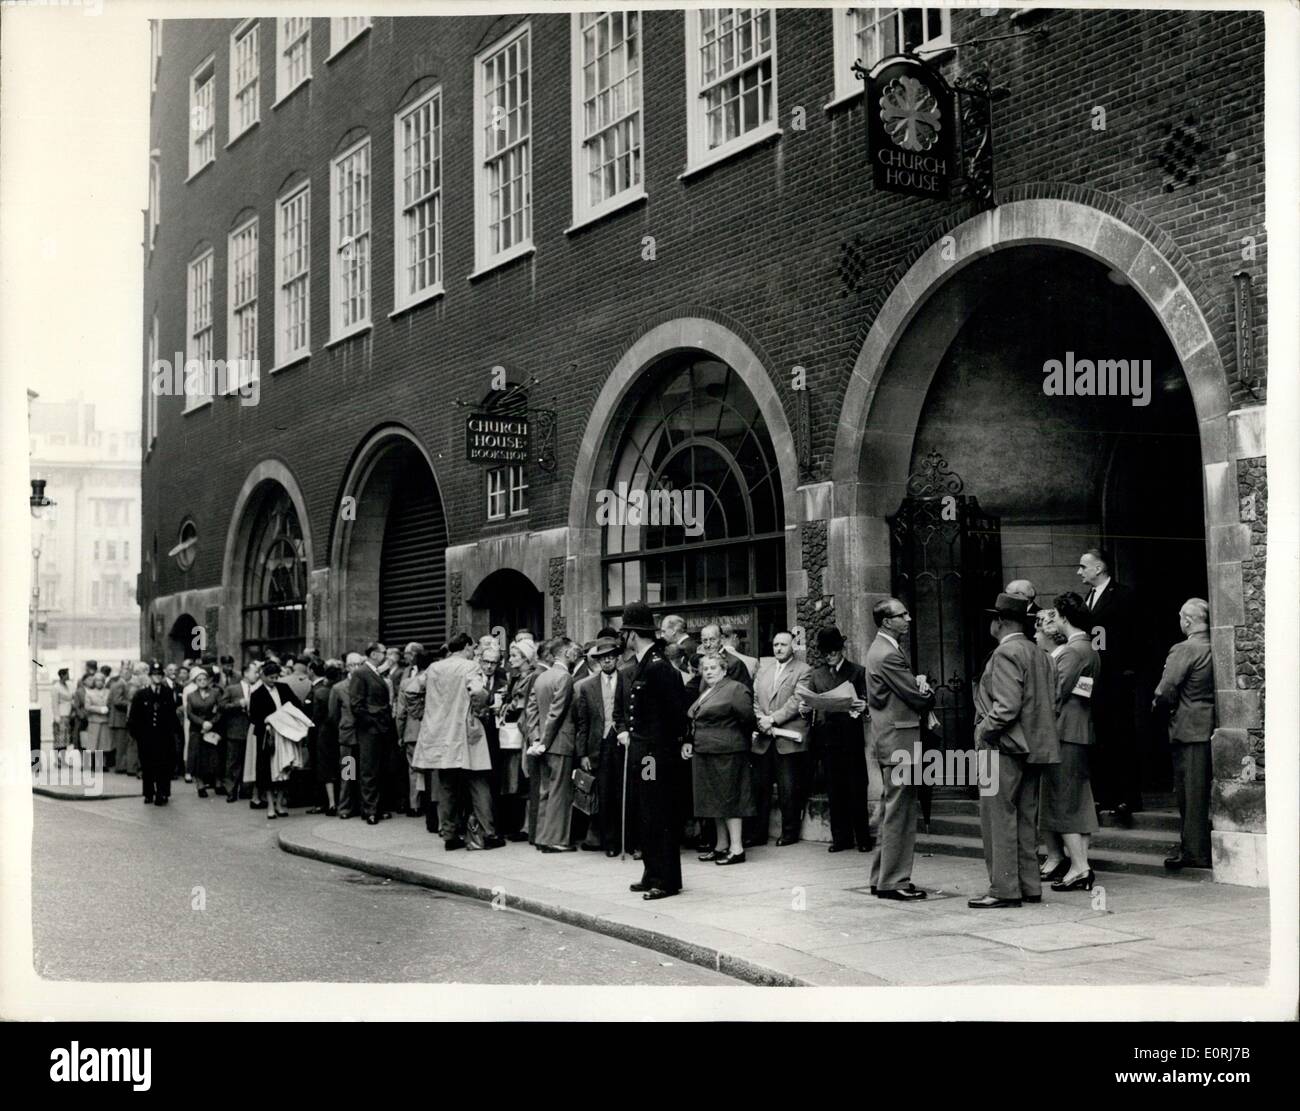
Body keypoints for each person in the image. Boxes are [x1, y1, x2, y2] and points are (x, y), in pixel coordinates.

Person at [969, 593, 1061, 908]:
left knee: (998, 818)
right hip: (1036, 747)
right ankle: (1029, 886)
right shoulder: (1042, 655)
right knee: (1025, 819)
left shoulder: (1005, 654)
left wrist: (983, 731)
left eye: (993, 618)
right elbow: (1054, 702)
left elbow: (1006, 708)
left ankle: (1004, 889)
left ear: (1001, 622)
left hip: (1004, 746)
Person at [613, 601, 688, 900]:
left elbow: (675, 716)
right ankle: (651, 871)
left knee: (657, 813)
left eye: (625, 633)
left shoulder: (658, 667)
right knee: (646, 812)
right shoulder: (646, 663)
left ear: (632, 634)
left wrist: (655, 752)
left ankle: (665, 879)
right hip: (645, 752)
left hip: (654, 755)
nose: (624, 638)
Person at [864, 599, 935, 900]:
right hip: (900, 743)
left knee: (891, 810)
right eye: (901, 615)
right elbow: (918, 699)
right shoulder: (888, 654)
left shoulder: (883, 649)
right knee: (900, 814)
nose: (908, 618)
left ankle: (881, 877)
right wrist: (926, 688)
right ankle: (893, 881)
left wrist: (917, 686)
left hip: (892, 741)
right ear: (885, 621)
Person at [413, 632, 504, 850]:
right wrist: (482, 710)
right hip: (465, 732)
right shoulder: (469, 667)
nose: (474, 651)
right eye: (472, 647)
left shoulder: (434, 668)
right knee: (478, 782)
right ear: (465, 647)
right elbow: (478, 692)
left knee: (446, 787)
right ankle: (489, 834)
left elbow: (411, 690)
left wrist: (421, 713)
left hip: (439, 733)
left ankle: (449, 835)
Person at [1036, 592, 1101, 891]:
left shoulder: (1073, 651)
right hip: (1077, 730)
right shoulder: (1086, 648)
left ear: (1064, 617)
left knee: (1064, 800)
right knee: (1075, 799)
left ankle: (1080, 867)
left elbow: (1054, 693)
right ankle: (1078, 864)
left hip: (1064, 732)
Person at [1076, 547, 1141, 824]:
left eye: (1083, 566)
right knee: (1099, 737)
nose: (1079, 571)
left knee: (1121, 736)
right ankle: (1106, 793)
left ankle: (1127, 796)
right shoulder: (1087, 598)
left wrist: (1128, 669)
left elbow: (1135, 634)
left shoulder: (1124, 595)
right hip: (1095, 680)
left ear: (1099, 568)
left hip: (1116, 678)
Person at [1153, 598, 1216, 871]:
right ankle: (1198, 847)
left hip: (1188, 726)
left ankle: (1193, 851)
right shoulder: (1214, 645)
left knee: (1190, 794)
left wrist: (1158, 706)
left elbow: (1165, 690)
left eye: (1181, 617)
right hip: (1208, 723)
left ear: (1187, 621)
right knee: (1201, 791)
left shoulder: (1184, 648)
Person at [800, 626, 873, 853]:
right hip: (827, 741)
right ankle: (840, 839)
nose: (829, 655)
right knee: (834, 790)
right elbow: (810, 704)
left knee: (857, 788)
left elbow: (868, 704)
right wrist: (805, 707)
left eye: (833, 651)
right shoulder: (816, 675)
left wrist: (864, 707)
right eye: (825, 652)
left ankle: (862, 837)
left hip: (850, 739)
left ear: (841, 649)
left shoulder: (857, 672)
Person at [684, 652, 757, 865]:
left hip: (728, 753)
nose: (708, 672)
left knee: (730, 799)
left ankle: (737, 848)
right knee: (714, 801)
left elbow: (748, 720)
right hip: (706, 752)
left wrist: (734, 742)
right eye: (705, 669)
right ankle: (721, 845)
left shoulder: (735, 689)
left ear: (724, 670)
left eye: (713, 668)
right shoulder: (706, 690)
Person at [747, 631, 812, 848]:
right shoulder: (763, 671)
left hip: (788, 739)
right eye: (775, 644)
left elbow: (797, 700)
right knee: (760, 788)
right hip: (764, 740)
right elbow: (754, 699)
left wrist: (772, 720)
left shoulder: (803, 670)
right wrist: (760, 720)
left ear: (793, 646)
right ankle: (758, 834)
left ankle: (789, 833)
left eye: (783, 644)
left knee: (788, 789)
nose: (778, 648)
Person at [527, 638, 580, 852]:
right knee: (560, 792)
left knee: (545, 791)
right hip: (560, 742)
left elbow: (531, 711)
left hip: (543, 743)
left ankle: (542, 836)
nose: (576, 655)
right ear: (565, 653)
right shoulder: (564, 677)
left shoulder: (541, 677)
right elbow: (556, 713)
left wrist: (536, 740)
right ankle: (556, 839)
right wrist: (544, 742)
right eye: (574, 651)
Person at [574, 637, 625, 855]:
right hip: (599, 746)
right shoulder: (587, 687)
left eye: (611, 657)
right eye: (603, 658)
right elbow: (583, 723)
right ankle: (610, 843)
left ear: (617, 659)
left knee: (624, 792)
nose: (607, 661)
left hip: (623, 743)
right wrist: (583, 753)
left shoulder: (628, 680)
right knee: (604, 795)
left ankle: (628, 841)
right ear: (598, 661)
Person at [249, 660, 307, 820]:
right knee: (268, 771)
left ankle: (280, 803)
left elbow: (296, 705)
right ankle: (270, 805)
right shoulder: (257, 694)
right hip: (268, 737)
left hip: (285, 734)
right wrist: (268, 722)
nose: (274, 681)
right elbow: (254, 717)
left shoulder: (283, 688)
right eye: (271, 678)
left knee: (284, 770)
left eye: (276, 677)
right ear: (263, 676)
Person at [496, 639, 541, 841]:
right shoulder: (516, 677)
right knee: (513, 780)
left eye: (515, 656)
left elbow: (525, 706)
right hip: (513, 736)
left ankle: (525, 826)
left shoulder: (532, 677)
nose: (510, 659)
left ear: (525, 658)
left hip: (522, 735)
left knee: (522, 779)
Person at [350, 643, 395, 826]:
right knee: (369, 770)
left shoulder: (375, 673)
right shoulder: (361, 673)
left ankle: (376, 807)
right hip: (371, 730)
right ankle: (370, 809)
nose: (386, 655)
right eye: (384, 652)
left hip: (380, 728)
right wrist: (372, 722)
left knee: (379, 769)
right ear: (374, 654)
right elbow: (356, 704)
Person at [128, 663, 182, 806]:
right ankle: (148, 793)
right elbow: (134, 717)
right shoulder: (141, 694)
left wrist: (175, 733)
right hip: (146, 737)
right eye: (154, 675)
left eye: (159, 675)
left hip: (164, 737)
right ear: (150, 676)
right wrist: (137, 735)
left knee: (164, 766)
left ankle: (162, 793)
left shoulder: (167, 692)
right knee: (147, 765)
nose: (157, 677)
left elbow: (172, 715)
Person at [393, 645, 430, 820]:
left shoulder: (407, 684)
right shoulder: (436, 681)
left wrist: (400, 735)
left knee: (414, 770)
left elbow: (401, 713)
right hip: (432, 731)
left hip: (412, 731)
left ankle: (415, 805)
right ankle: (431, 804)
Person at [219, 661, 261, 806]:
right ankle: (231, 790)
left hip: (252, 731)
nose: (257, 675)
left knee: (249, 761)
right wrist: (238, 704)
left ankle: (246, 790)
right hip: (236, 730)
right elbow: (221, 706)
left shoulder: (259, 689)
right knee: (233, 761)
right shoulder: (232, 689)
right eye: (255, 672)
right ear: (245, 673)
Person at [331, 653, 363, 819]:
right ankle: (344, 807)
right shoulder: (338, 688)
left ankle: (362, 806)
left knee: (363, 773)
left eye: (359, 664)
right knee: (347, 773)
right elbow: (333, 715)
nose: (356, 668)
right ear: (347, 667)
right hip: (348, 736)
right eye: (353, 665)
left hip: (364, 736)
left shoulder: (365, 684)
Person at [307, 655, 339, 816]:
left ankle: (332, 803)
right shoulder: (348, 689)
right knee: (349, 766)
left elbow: (317, 716)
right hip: (347, 735)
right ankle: (348, 800)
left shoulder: (321, 693)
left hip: (326, 735)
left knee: (326, 768)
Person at [184, 668, 221, 797]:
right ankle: (200, 785)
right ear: (195, 681)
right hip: (197, 729)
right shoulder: (191, 695)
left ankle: (217, 783)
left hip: (212, 728)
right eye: (199, 680)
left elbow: (220, 710)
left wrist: (211, 722)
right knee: (197, 757)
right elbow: (189, 713)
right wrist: (202, 723)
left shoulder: (215, 693)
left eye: (205, 679)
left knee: (213, 757)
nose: (202, 682)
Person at [699, 624, 750, 688]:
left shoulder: (734, 663)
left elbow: (741, 692)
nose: (708, 644)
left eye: (712, 640)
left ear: (722, 639)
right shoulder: (704, 661)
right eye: (705, 640)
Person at [80, 674, 112, 772]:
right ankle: (93, 764)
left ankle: (101, 765)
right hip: (94, 721)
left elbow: (111, 703)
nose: (99, 682)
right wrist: (100, 709)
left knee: (103, 744)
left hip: (105, 721)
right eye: (97, 680)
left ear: (104, 681)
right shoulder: (89, 693)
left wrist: (107, 708)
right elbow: (87, 706)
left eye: (101, 680)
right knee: (93, 744)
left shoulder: (108, 692)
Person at [108, 666, 133, 775]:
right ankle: (120, 767)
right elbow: (117, 701)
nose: (131, 675)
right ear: (124, 673)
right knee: (121, 744)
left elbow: (110, 701)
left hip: (117, 718)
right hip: (120, 718)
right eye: (129, 673)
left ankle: (120, 765)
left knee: (120, 744)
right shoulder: (121, 684)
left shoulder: (117, 684)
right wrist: (130, 703)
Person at [51, 668, 76, 762]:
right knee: (59, 739)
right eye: (67, 674)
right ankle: (57, 760)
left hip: (68, 715)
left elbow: (72, 697)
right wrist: (56, 716)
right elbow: (54, 703)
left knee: (65, 739)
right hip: (61, 715)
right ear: (62, 675)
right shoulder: (56, 687)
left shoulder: (68, 685)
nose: (68, 676)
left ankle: (63, 759)